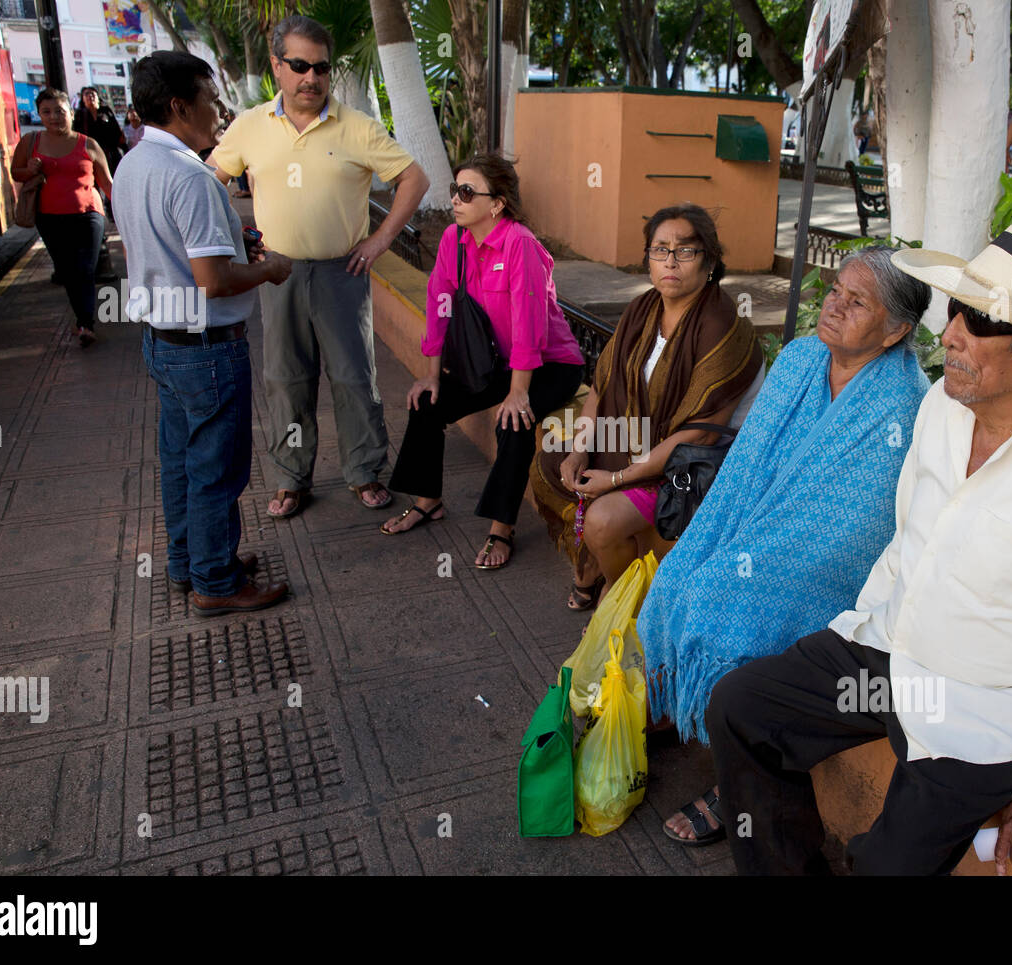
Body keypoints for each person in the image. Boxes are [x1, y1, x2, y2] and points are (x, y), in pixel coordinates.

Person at [705, 225, 1012, 876]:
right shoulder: (944, 410)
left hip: (983, 713)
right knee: (740, 707)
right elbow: (906, 542)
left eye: (979, 320)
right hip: (891, 657)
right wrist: (857, 624)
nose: (951, 333)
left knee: (886, 866)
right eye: (956, 308)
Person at [639, 248, 933, 846]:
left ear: (897, 330)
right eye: (835, 290)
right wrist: (724, 543)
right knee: (679, 576)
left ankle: (733, 785)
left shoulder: (904, 404)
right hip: (756, 532)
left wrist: (756, 565)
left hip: (828, 569)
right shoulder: (799, 359)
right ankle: (681, 704)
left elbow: (857, 527)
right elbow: (748, 469)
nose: (835, 305)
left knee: (732, 604)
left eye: (858, 302)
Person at [209, 15, 430, 520]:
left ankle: (365, 472)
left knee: (354, 378)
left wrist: (380, 241)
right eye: (300, 65)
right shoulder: (248, 126)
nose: (311, 77)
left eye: (321, 67)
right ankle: (291, 478)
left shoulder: (356, 127)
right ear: (277, 67)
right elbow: (211, 183)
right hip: (277, 273)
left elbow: (414, 179)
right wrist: (232, 242)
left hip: (341, 272)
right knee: (285, 378)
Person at [114, 50, 294, 616]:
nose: (219, 111)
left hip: (163, 343)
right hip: (207, 351)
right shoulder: (190, 177)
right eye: (211, 100)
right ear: (179, 106)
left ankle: (188, 560)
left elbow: (172, 248)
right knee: (218, 468)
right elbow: (213, 281)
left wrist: (231, 236)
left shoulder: (133, 164)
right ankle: (215, 581)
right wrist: (268, 268)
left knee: (181, 461)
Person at [530, 204, 764, 610]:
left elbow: (701, 434)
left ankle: (624, 598)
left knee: (603, 520)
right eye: (660, 250)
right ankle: (596, 569)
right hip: (639, 443)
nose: (670, 261)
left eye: (685, 251)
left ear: (709, 261)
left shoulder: (724, 326)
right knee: (549, 464)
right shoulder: (642, 310)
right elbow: (601, 390)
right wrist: (582, 447)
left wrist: (618, 478)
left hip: (694, 467)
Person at [379, 157, 585, 568]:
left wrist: (519, 392)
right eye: (456, 190)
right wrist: (432, 376)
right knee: (427, 404)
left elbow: (530, 326)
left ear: (497, 204)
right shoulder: (454, 241)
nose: (456, 199)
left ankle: (500, 528)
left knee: (514, 420)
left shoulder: (519, 244)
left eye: (468, 192)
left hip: (549, 363)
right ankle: (428, 500)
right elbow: (439, 308)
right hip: (495, 360)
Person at [10, 88, 114, 347]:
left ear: (70, 113)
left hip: (88, 215)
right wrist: (29, 169)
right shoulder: (31, 142)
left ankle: (86, 324)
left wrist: (129, 214)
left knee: (85, 269)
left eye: (60, 111)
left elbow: (109, 184)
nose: (54, 117)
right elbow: (16, 173)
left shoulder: (88, 144)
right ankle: (82, 318)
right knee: (68, 272)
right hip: (50, 218)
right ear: (40, 115)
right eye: (47, 112)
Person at [74, 86, 127, 174]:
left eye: (93, 93)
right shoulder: (80, 115)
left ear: (98, 97)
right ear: (83, 99)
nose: (90, 96)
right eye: (87, 94)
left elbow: (116, 130)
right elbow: (77, 134)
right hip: (90, 153)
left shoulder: (106, 111)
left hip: (109, 153)